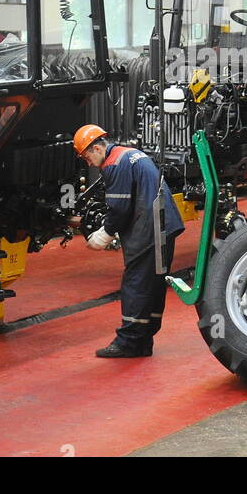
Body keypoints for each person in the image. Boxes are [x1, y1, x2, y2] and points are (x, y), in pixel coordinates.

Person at [71, 124, 185, 358]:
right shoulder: (129, 153)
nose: (88, 163)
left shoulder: (114, 163)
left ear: (96, 148)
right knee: (154, 283)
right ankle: (143, 340)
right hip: (165, 225)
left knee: (135, 283)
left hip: (149, 229)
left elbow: (120, 209)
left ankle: (128, 342)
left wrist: (104, 234)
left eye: (86, 156)